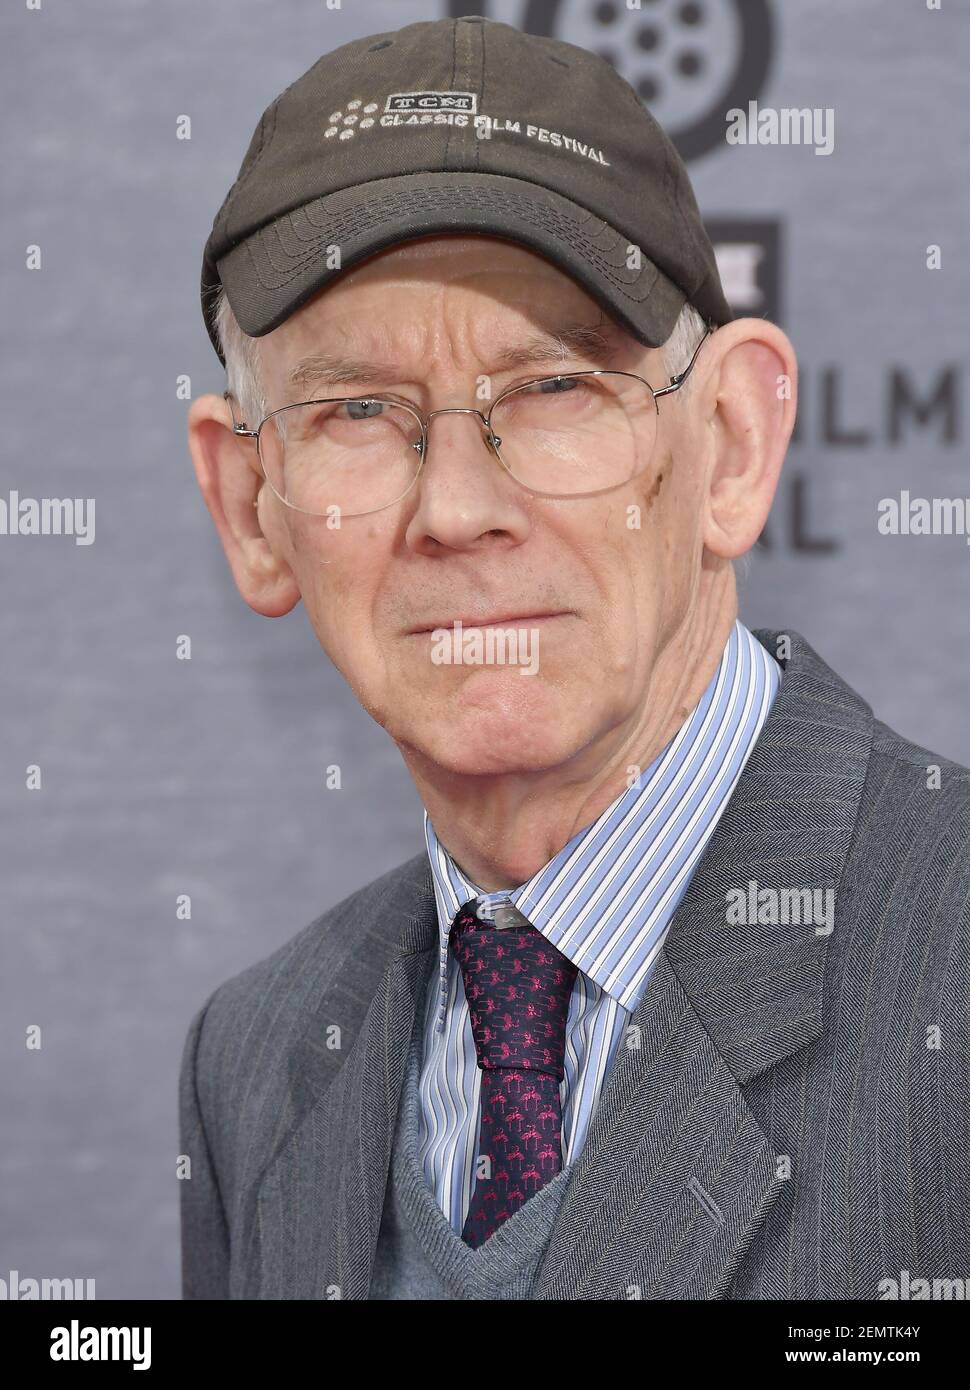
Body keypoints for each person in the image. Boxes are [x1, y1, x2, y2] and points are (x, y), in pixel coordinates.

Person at [181, 16, 970, 1300]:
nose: (454, 508)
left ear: (730, 444)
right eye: (356, 410)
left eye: (555, 388)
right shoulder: (254, 1058)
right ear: (250, 508)